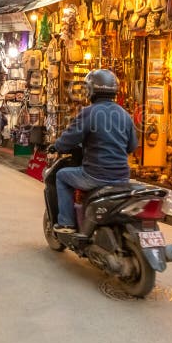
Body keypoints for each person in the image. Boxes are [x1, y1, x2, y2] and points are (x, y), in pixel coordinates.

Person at [51, 69, 138, 233]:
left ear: (90, 91)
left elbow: (69, 138)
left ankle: (66, 223)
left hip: (95, 176)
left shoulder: (89, 112)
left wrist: (57, 146)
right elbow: (132, 146)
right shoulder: (125, 115)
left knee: (61, 176)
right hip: (122, 177)